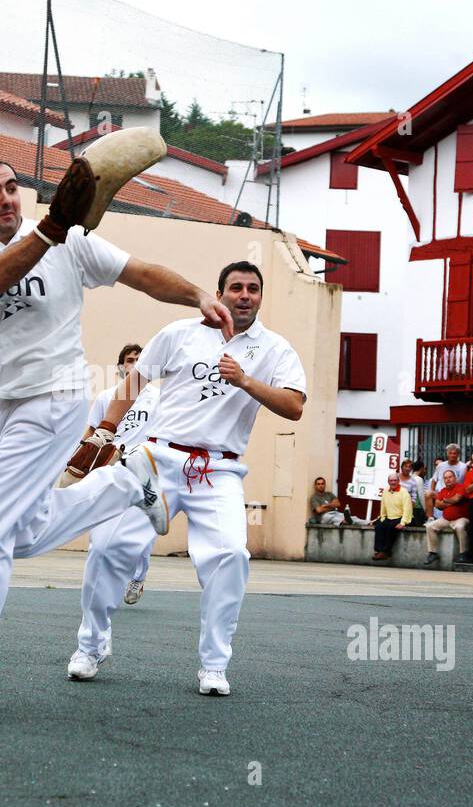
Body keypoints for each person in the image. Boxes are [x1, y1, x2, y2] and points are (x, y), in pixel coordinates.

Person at [0, 157, 235, 707]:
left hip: (55, 400)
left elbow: (139, 272)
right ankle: (130, 483)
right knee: (22, 533)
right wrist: (52, 226)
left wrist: (198, 294)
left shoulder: (71, 241)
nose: (6, 198)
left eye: (12, 188)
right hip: (5, 406)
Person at [66, 261, 306, 696]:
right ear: (220, 293)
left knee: (230, 555)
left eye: (253, 289)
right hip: (159, 459)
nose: (245, 295)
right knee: (108, 546)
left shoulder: (274, 348)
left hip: (220, 469)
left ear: (260, 297)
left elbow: (293, 405)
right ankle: (91, 646)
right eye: (236, 288)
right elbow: (133, 383)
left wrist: (247, 381)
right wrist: (105, 430)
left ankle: (214, 666)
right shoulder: (181, 333)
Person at [81, 342, 160, 606]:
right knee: (102, 527)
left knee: (140, 530)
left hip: (145, 469)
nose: (134, 364)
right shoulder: (106, 397)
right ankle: (101, 580)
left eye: (139, 359)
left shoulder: (158, 398)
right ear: (120, 366)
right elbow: (92, 431)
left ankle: (138, 576)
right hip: (110, 467)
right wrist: (81, 457)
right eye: (129, 360)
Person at [423, 468, 468, 565]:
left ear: (455, 478)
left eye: (450, 477)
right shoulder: (443, 490)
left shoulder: (461, 487)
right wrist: (450, 501)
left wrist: (445, 500)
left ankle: (463, 553)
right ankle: (433, 553)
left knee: (460, 527)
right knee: (430, 526)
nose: (448, 479)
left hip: (461, 518)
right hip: (446, 519)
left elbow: (456, 499)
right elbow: (438, 505)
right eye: (445, 478)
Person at [371, 472, 413, 561]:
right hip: (389, 517)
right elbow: (383, 505)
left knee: (391, 527)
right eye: (391, 480)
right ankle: (378, 550)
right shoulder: (386, 491)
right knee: (379, 526)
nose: (393, 482)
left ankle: (386, 552)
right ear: (388, 482)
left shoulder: (404, 492)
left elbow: (407, 508)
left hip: (401, 517)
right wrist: (382, 517)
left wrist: (403, 522)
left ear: (398, 481)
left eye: (395, 480)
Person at [425, 444, 468, 520]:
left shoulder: (463, 466)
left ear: (458, 454)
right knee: (428, 494)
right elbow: (434, 480)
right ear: (447, 454)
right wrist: (433, 491)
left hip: (457, 494)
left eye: (454, 453)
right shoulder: (440, 465)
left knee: (443, 503)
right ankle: (430, 518)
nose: (452, 455)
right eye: (450, 453)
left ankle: (442, 505)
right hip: (442, 493)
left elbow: (465, 482)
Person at [399, 459, 426, 526]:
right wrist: (425, 510)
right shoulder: (419, 479)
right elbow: (421, 496)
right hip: (416, 509)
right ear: (421, 468)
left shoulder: (411, 479)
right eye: (405, 466)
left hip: (407, 508)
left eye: (409, 467)